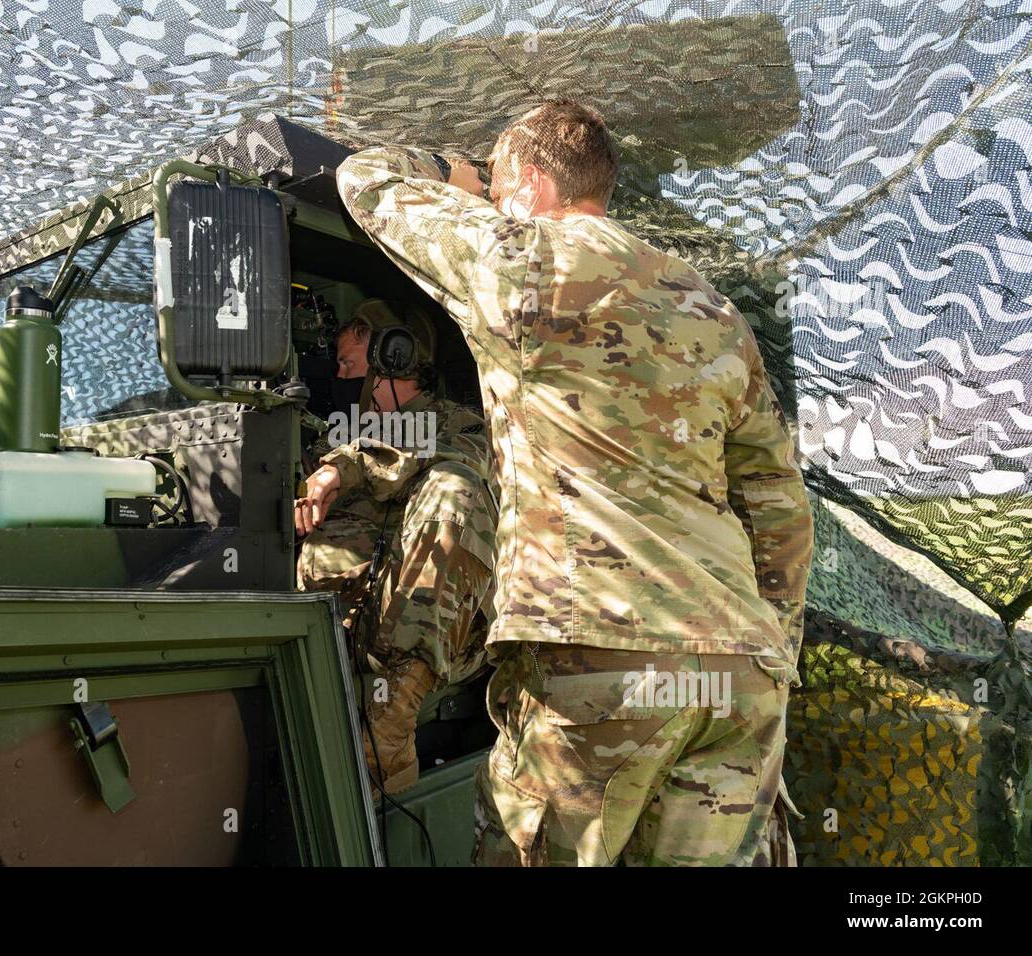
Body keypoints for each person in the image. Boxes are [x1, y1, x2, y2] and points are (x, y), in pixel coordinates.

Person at [335, 100, 814, 864]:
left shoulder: (522, 259)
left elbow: (364, 178)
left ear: (529, 181)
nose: (490, 203)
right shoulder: (713, 309)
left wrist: (453, 174)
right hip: (740, 677)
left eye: (496, 188)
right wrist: (774, 649)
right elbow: (780, 506)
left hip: (603, 657)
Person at [295, 298, 498, 795]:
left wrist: (342, 468)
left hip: (429, 646)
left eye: (350, 363)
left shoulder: (462, 425)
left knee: (454, 489)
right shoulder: (337, 435)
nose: (342, 377)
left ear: (394, 356)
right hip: (335, 629)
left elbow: (424, 451)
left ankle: (394, 713)